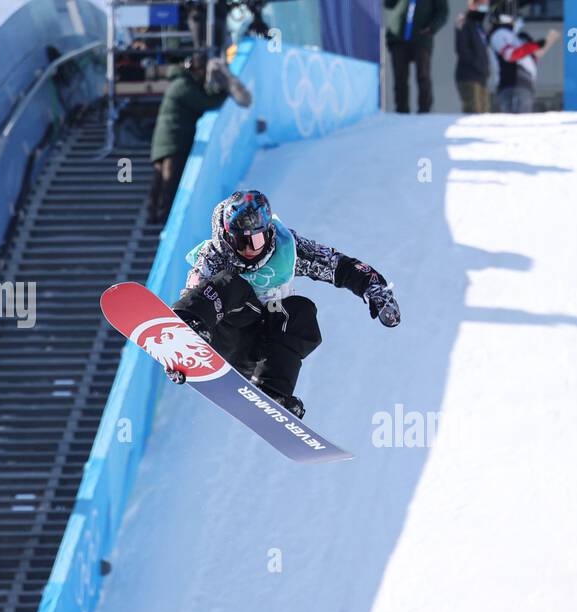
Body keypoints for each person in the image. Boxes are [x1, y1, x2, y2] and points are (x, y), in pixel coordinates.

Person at [170, 190, 401, 418]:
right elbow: (195, 292)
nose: (251, 250)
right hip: (224, 336)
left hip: (260, 349)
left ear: (268, 232)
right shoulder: (214, 256)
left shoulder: (286, 249)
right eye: (242, 242)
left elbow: (338, 266)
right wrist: (178, 352)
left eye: (257, 239)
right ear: (228, 238)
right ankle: (188, 328)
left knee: (301, 310)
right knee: (232, 283)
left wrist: (375, 289)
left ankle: (272, 391)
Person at [148, 53, 252, 224]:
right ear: (195, 69)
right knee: (169, 182)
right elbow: (206, 102)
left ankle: (153, 214)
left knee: (160, 181)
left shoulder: (181, 83)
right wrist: (225, 90)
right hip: (174, 141)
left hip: (167, 140)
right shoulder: (182, 85)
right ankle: (163, 218)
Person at [384, 0, 450, 114]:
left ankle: (425, 109)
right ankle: (401, 110)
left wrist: (431, 27)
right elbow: (388, 4)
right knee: (400, 77)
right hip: (398, 37)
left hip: (422, 37)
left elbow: (443, 12)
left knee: (423, 75)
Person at [488, 9, 558, 114]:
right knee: (512, 125)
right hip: (511, 84)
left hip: (525, 86)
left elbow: (534, 56)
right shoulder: (500, 34)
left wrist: (549, 40)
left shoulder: (518, 37)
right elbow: (510, 55)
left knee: (523, 124)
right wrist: (533, 46)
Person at [455, 1, 492, 114]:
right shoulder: (464, 22)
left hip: (481, 77)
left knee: (484, 113)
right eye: (482, 4)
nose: (485, 7)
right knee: (473, 112)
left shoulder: (478, 25)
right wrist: (479, 65)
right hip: (469, 76)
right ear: (473, 5)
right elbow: (463, 50)